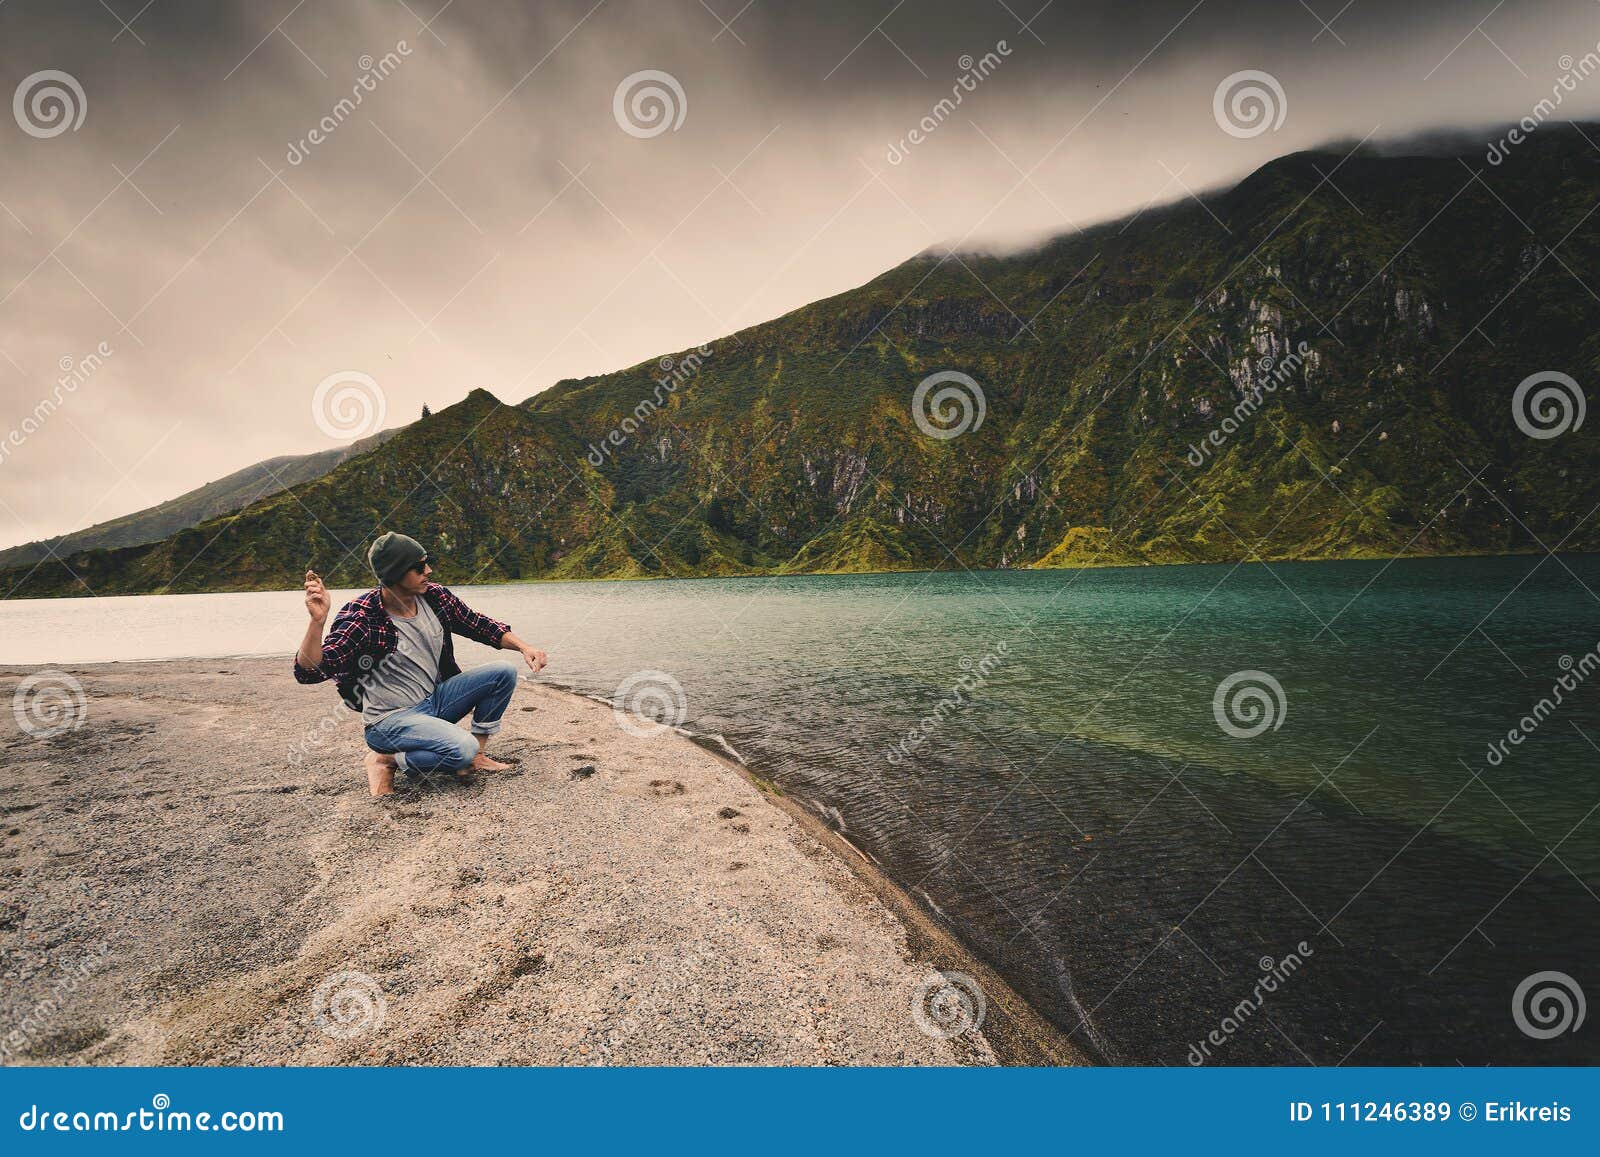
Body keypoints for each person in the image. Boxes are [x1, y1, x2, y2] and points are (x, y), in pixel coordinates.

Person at [294, 532, 549, 796]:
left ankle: (478, 755)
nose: (428, 570)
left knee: (503, 672)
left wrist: (524, 647)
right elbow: (309, 671)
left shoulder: (435, 597)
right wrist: (317, 622)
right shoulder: (362, 615)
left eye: (427, 562)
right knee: (461, 750)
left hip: (434, 701)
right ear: (393, 573)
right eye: (418, 567)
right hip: (389, 721)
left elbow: (479, 625)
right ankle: (385, 760)